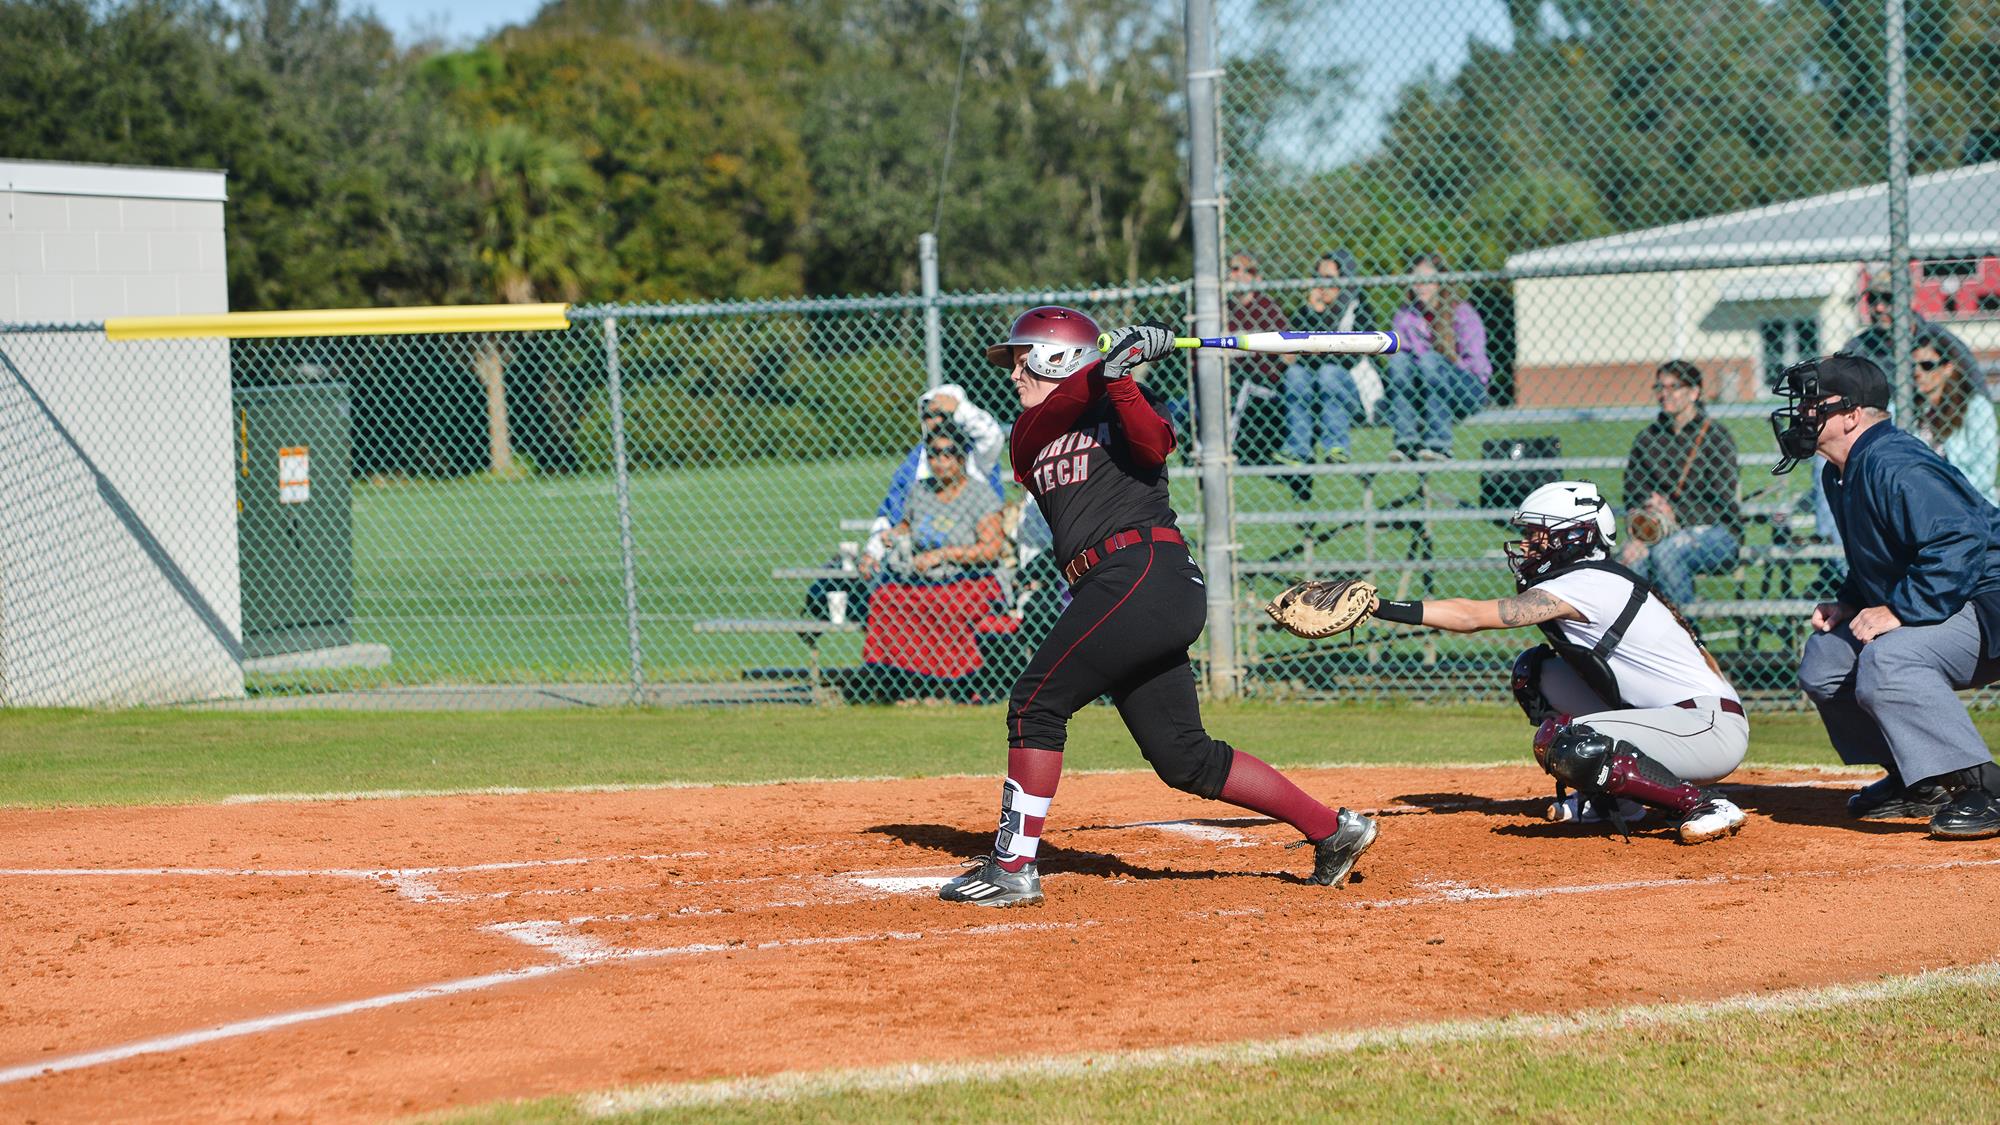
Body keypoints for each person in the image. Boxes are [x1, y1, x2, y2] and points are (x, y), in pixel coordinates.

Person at [938, 306, 1377, 906]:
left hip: (1143, 572)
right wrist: (1108, 370)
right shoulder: (1029, 432)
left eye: (1022, 361)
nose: (1013, 375)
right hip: (1119, 589)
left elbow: (1154, 444)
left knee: (1035, 704)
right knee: (1184, 758)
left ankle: (1013, 867)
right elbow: (1056, 412)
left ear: (1055, 357)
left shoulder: (1120, 406)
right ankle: (1334, 830)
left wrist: (1120, 380)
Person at [1362, 479, 1749, 844]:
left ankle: (1703, 804)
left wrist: (1380, 607)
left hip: (1706, 728)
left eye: (1537, 534)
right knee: (1536, 672)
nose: (1527, 544)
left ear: (1575, 536)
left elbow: (1471, 617)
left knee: (1570, 743)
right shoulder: (1587, 578)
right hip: (1673, 717)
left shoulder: (1589, 583)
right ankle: (1618, 802)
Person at [1779, 354, 2000, 839]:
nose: (1802, 415)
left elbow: (1960, 539)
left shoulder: (1893, 461)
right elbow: (1882, 556)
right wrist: (1851, 601)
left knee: (1890, 658)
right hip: (1951, 597)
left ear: (1852, 415)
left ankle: (1985, 787)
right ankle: (1920, 780)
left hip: (1987, 600)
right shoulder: (1841, 472)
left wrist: (1900, 609)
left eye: (1814, 404)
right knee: (1825, 661)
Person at [858, 422, 1010, 701]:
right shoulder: (920, 491)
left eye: (947, 454)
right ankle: (902, 680)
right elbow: (906, 526)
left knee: (947, 605)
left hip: (970, 579)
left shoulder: (980, 495)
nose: (940, 461)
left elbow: (991, 550)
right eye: (933, 454)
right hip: (924, 580)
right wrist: (888, 539)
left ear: (961, 458)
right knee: (885, 598)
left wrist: (943, 554)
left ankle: (952, 683)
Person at [1616, 360, 1743, 605]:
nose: (1664, 394)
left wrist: (1675, 512)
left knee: (1667, 553)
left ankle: (1683, 627)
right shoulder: (1647, 439)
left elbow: (1722, 500)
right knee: (1632, 561)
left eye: (1673, 387)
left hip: (1716, 532)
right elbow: (1633, 493)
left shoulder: (1716, 437)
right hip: (1657, 531)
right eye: (1660, 387)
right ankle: (1645, 629)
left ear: (1694, 392)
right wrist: (1643, 529)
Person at [1383, 252, 1492, 460]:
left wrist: (1439, 367)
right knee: (1398, 361)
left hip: (1466, 387)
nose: (1421, 286)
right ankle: (1406, 442)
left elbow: (1475, 363)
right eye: (1416, 280)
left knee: (1430, 361)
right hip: (1424, 388)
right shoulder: (1406, 315)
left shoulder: (1462, 313)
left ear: (1440, 282)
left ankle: (1440, 445)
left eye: (1427, 280)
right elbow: (1402, 358)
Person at [1277, 249, 1375, 466]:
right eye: (1318, 278)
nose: (1322, 286)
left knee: (1328, 372)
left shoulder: (1359, 309)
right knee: (1295, 374)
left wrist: (1319, 327)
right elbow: (1294, 354)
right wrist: (1314, 315)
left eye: (1329, 279)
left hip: (1353, 389)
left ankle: (1337, 447)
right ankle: (1298, 450)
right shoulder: (1307, 312)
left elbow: (1348, 359)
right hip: (1314, 388)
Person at [1908, 326, 1998, 506]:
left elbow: (1984, 477)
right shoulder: (1909, 410)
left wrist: (1940, 491)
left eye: (1927, 365)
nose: (1917, 373)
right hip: (1924, 505)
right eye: (1912, 366)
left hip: (1972, 505)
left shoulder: (1975, 407)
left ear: (1947, 368)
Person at [1222, 252, 1298, 463]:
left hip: (1262, 384)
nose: (1240, 275)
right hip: (1225, 381)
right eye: (1235, 269)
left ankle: (1224, 448)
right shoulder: (1219, 311)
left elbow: (1289, 354)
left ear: (1258, 278)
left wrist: (1272, 368)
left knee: (1240, 380)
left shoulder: (1267, 308)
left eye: (1249, 271)